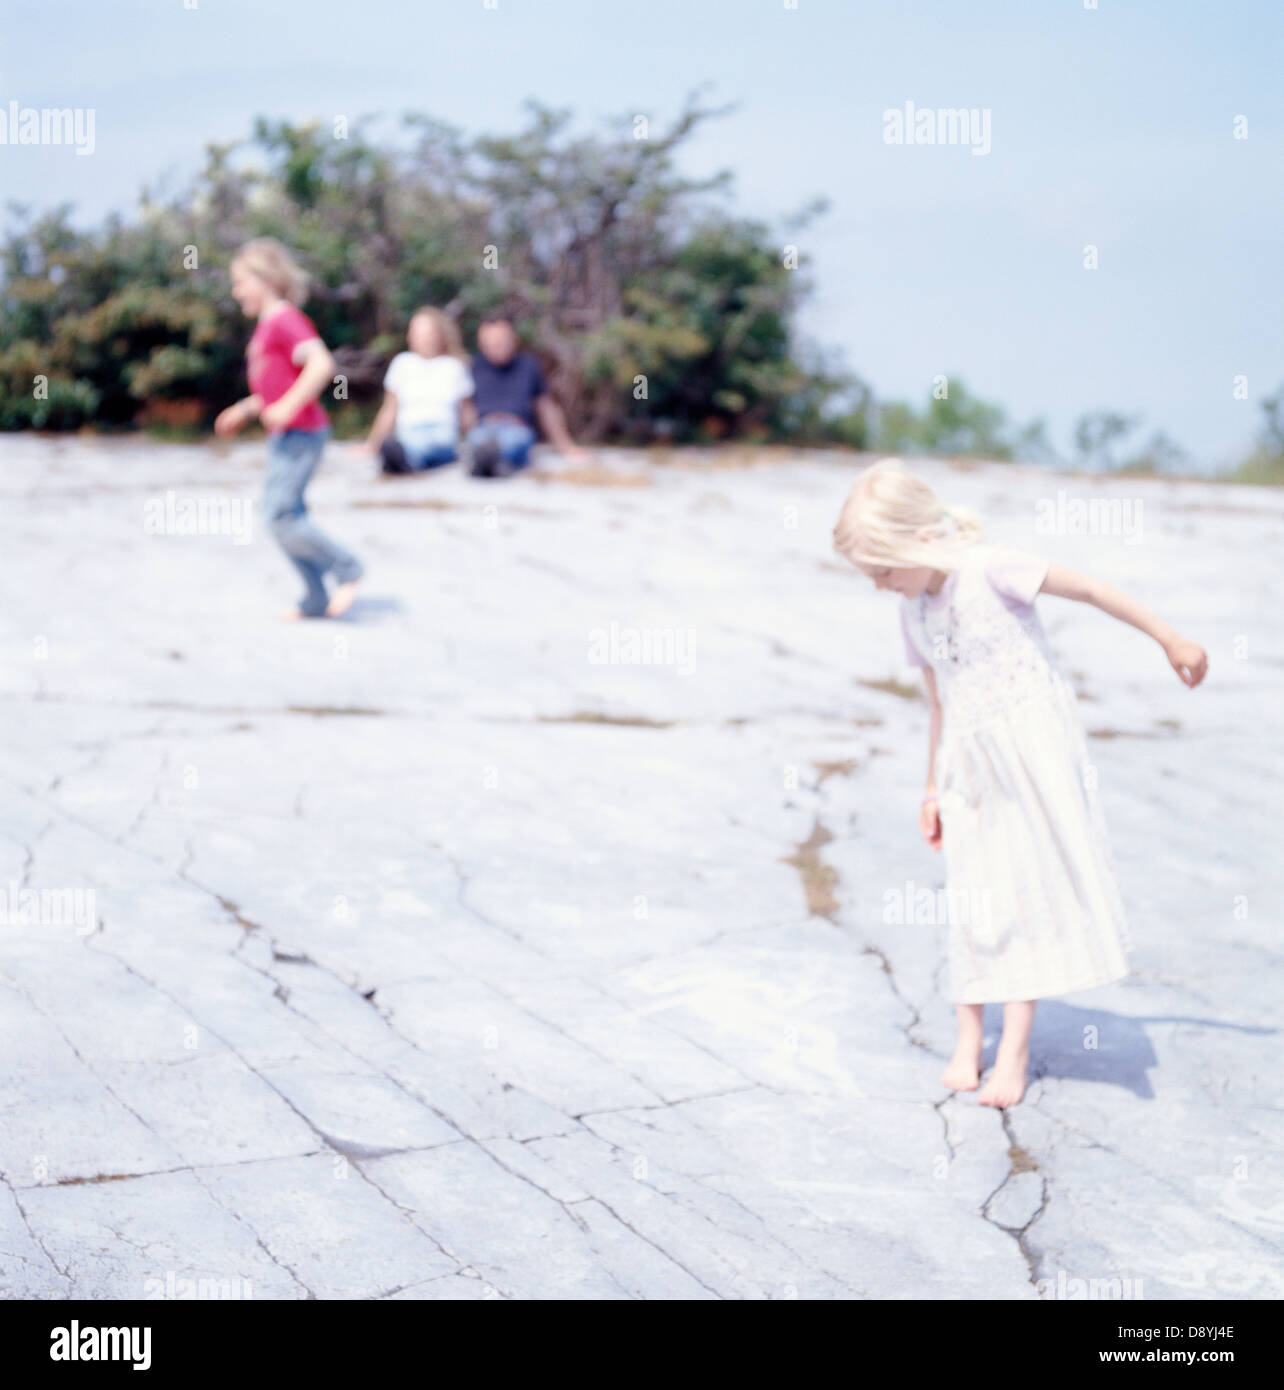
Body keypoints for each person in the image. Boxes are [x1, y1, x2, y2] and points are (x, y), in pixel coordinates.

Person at [833, 459, 1208, 1108]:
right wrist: (930, 787)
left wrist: (1169, 638)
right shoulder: (914, 614)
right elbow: (940, 703)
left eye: (882, 571)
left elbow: (1089, 589)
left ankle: (1013, 1050)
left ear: (919, 541)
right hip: (967, 763)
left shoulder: (990, 569)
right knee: (972, 894)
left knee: (1022, 892)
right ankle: (966, 1036)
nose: (878, 587)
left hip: (1030, 751)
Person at [215, 238, 363, 619]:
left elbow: (321, 364)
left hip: (303, 433)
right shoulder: (267, 327)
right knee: (283, 518)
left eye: (241, 282)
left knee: (279, 517)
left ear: (266, 280)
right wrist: (245, 408)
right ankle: (315, 598)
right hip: (287, 435)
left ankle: (347, 570)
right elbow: (274, 388)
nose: (236, 291)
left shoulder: (284, 318)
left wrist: (288, 407)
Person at [462, 313, 589, 476]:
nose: (495, 344)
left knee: (513, 442)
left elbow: (545, 407)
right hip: (485, 428)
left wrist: (566, 447)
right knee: (478, 439)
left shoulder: (529, 365)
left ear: (513, 338)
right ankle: (494, 462)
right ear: (481, 342)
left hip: (516, 427)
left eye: (500, 339)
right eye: (490, 341)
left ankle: (493, 461)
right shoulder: (475, 367)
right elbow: (467, 407)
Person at [363, 307, 473, 474]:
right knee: (409, 442)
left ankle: (407, 460)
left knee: (431, 444)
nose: (418, 337)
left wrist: (476, 444)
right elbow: (389, 409)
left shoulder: (454, 366)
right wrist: (371, 444)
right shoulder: (402, 363)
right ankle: (406, 459)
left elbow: (467, 414)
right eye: (415, 332)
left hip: (442, 433)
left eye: (424, 332)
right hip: (409, 431)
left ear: (439, 335)